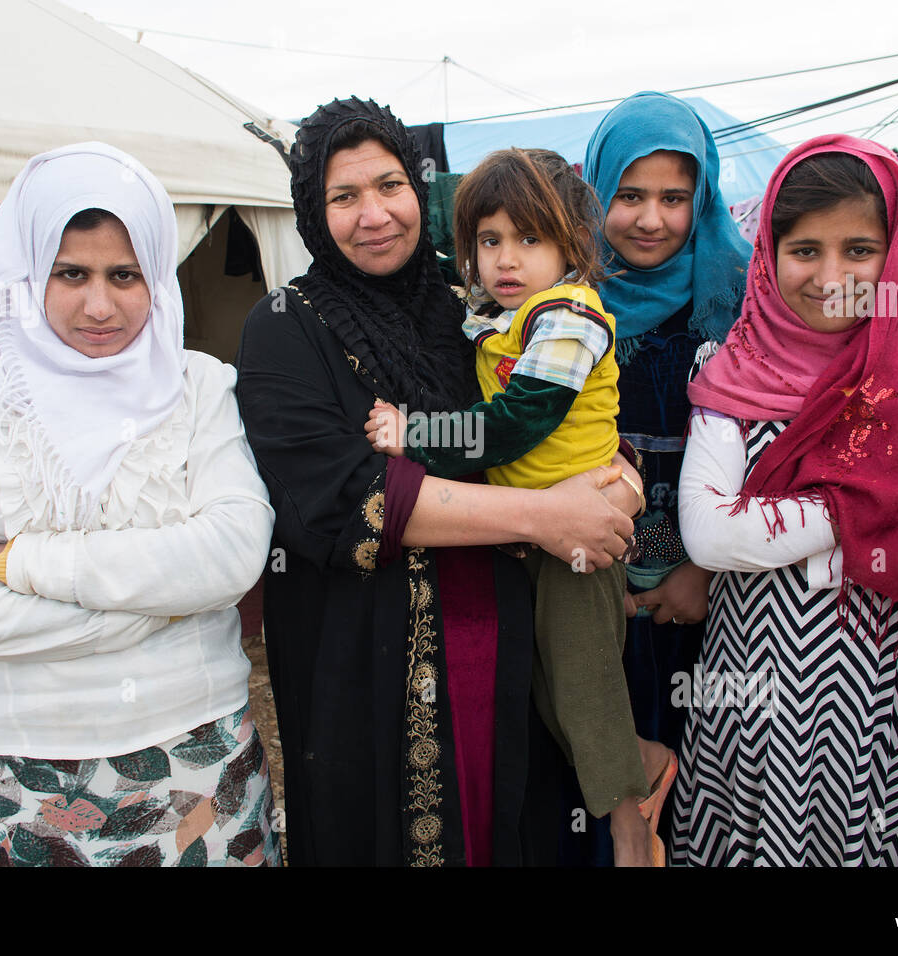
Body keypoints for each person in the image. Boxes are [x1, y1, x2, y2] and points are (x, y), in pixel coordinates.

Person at [235, 98, 637, 867]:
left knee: (512, 820)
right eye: (343, 197)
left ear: (419, 191)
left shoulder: (472, 309)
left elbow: (566, 422)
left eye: (389, 185)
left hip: (503, 639)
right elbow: (346, 501)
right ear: (311, 214)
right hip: (365, 655)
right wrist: (544, 517)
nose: (374, 214)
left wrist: (621, 488)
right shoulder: (285, 326)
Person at [0, 143, 279, 867]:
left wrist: (24, 561)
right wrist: (156, 604)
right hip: (28, 771)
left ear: (156, 277)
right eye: (71, 274)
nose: (100, 305)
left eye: (124, 275)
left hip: (200, 750)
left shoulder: (197, 387)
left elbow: (231, 554)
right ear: (30, 270)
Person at [675, 135, 898, 865]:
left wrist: (790, 519)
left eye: (860, 250)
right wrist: (874, 502)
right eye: (804, 250)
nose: (832, 276)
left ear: (895, 257)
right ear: (768, 253)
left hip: (881, 696)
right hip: (751, 694)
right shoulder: (732, 370)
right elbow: (708, 535)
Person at [364, 147, 671, 866]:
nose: (506, 259)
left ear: (569, 244)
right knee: (543, 691)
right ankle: (645, 758)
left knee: (582, 689)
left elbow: (516, 423)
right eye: (489, 240)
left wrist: (417, 434)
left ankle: (632, 834)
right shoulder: (501, 312)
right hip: (536, 531)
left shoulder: (568, 317)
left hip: (577, 537)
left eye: (530, 239)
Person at [580, 91, 752, 859]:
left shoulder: (743, 309)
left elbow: (775, 458)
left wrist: (702, 577)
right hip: (592, 594)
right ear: (593, 196)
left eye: (674, 198)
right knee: (598, 774)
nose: (651, 219)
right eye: (628, 195)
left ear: (701, 199)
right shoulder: (563, 308)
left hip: (706, 604)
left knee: (699, 781)